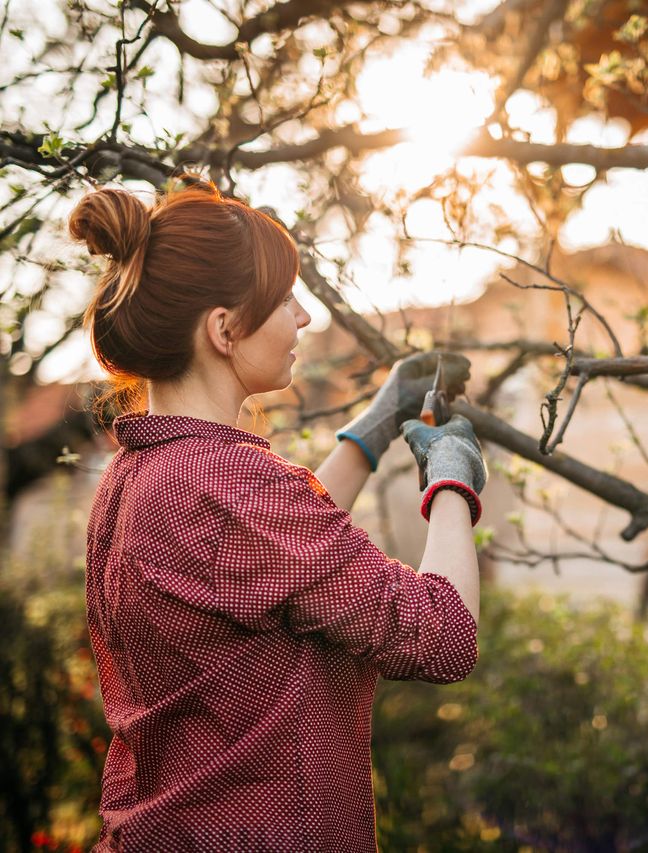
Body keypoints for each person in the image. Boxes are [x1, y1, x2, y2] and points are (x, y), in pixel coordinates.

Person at [70, 178, 487, 852]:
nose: (304, 317)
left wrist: (374, 429)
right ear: (224, 328)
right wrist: (452, 480)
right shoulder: (229, 486)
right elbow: (442, 636)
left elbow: (274, 563)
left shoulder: (139, 474)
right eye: (283, 299)